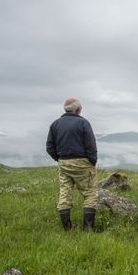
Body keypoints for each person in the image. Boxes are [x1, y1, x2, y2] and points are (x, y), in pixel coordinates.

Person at [46, 98, 98, 231]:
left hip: (63, 163)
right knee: (90, 193)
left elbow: (49, 147)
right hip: (82, 162)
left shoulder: (55, 124)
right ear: (78, 110)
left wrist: (59, 159)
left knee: (65, 193)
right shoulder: (83, 123)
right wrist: (92, 161)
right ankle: (88, 229)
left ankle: (68, 229)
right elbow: (91, 145)